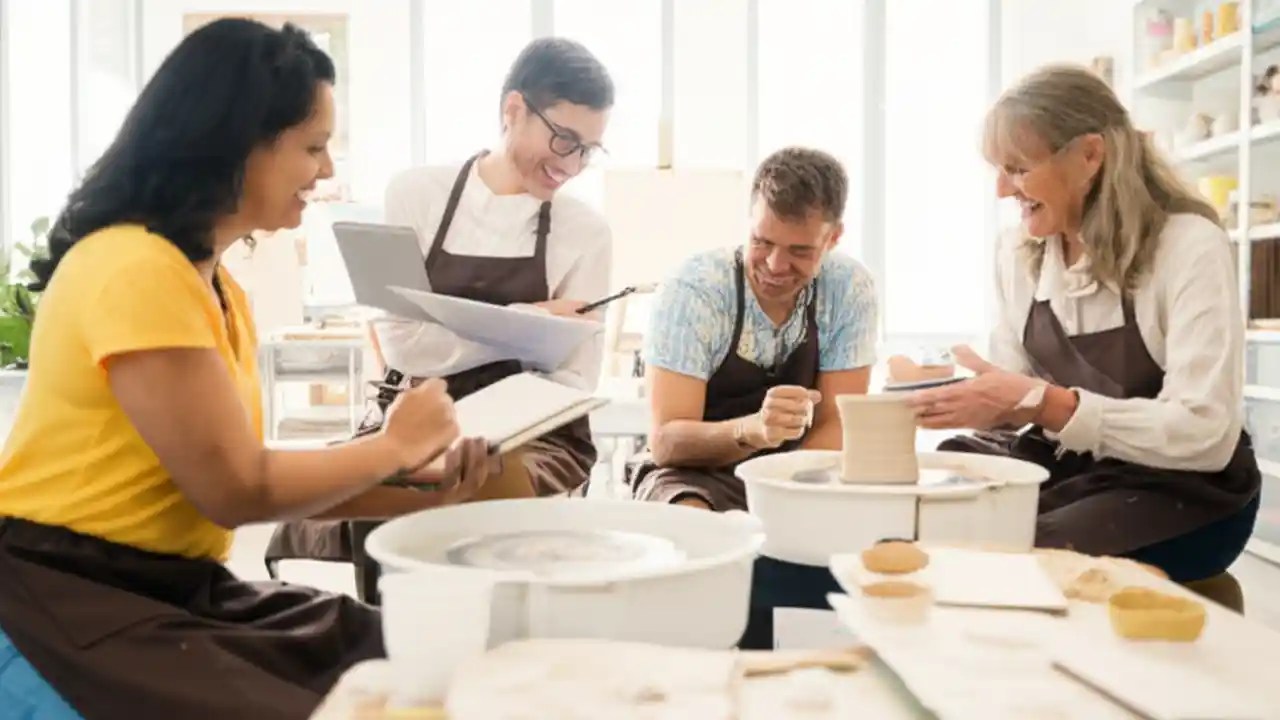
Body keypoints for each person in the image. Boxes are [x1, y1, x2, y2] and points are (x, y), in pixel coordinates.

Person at [0, 19, 489, 719]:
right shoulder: (132, 267)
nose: (325, 171)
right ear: (235, 146)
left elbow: (249, 469)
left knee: (387, 649)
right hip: (66, 591)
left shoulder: (218, 287)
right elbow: (234, 489)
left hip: (178, 586)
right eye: (312, 147)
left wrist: (421, 491)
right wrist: (393, 445)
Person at [265, 37, 614, 600]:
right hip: (413, 410)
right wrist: (526, 322)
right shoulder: (416, 193)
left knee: (480, 507)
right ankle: (391, 645)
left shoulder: (586, 233)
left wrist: (455, 334)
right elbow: (402, 344)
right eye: (564, 139)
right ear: (513, 111)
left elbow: (574, 379)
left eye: (589, 150)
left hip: (532, 428)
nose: (571, 165)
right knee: (391, 506)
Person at [910, 64, 1261, 583]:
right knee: (939, 495)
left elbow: (1204, 432)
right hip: (1079, 466)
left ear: (1090, 155)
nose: (1004, 190)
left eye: (1019, 168)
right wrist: (965, 398)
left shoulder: (1188, 247)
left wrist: (1041, 401)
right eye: (998, 170)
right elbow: (1014, 395)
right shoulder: (1017, 253)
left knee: (1018, 553)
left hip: (1185, 490)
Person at [633, 147, 878, 648]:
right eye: (761, 241)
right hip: (694, 473)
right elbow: (666, 442)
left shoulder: (849, 289)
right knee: (701, 551)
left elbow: (837, 424)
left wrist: (785, 499)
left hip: (801, 476)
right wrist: (751, 431)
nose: (773, 264)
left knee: (858, 563)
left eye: (800, 251)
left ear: (833, 238)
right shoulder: (695, 289)